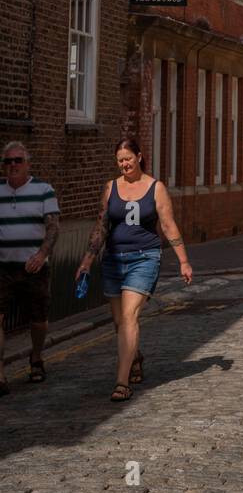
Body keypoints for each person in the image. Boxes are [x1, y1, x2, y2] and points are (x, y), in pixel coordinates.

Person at [76, 138, 192, 403]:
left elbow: (169, 225)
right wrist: (87, 260)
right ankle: (135, 357)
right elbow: (101, 227)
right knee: (119, 323)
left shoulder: (155, 188)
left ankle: (121, 382)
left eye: (128, 158)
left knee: (129, 317)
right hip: (113, 260)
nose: (124, 164)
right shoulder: (110, 188)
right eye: (120, 160)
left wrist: (184, 261)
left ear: (139, 157)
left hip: (144, 258)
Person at [0, 142, 60, 395]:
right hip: (2, 267)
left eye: (18, 161)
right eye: (8, 161)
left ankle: (36, 358)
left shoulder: (43, 190)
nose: (12, 165)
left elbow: (53, 227)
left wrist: (42, 254)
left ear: (27, 164)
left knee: (38, 320)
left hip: (34, 267)